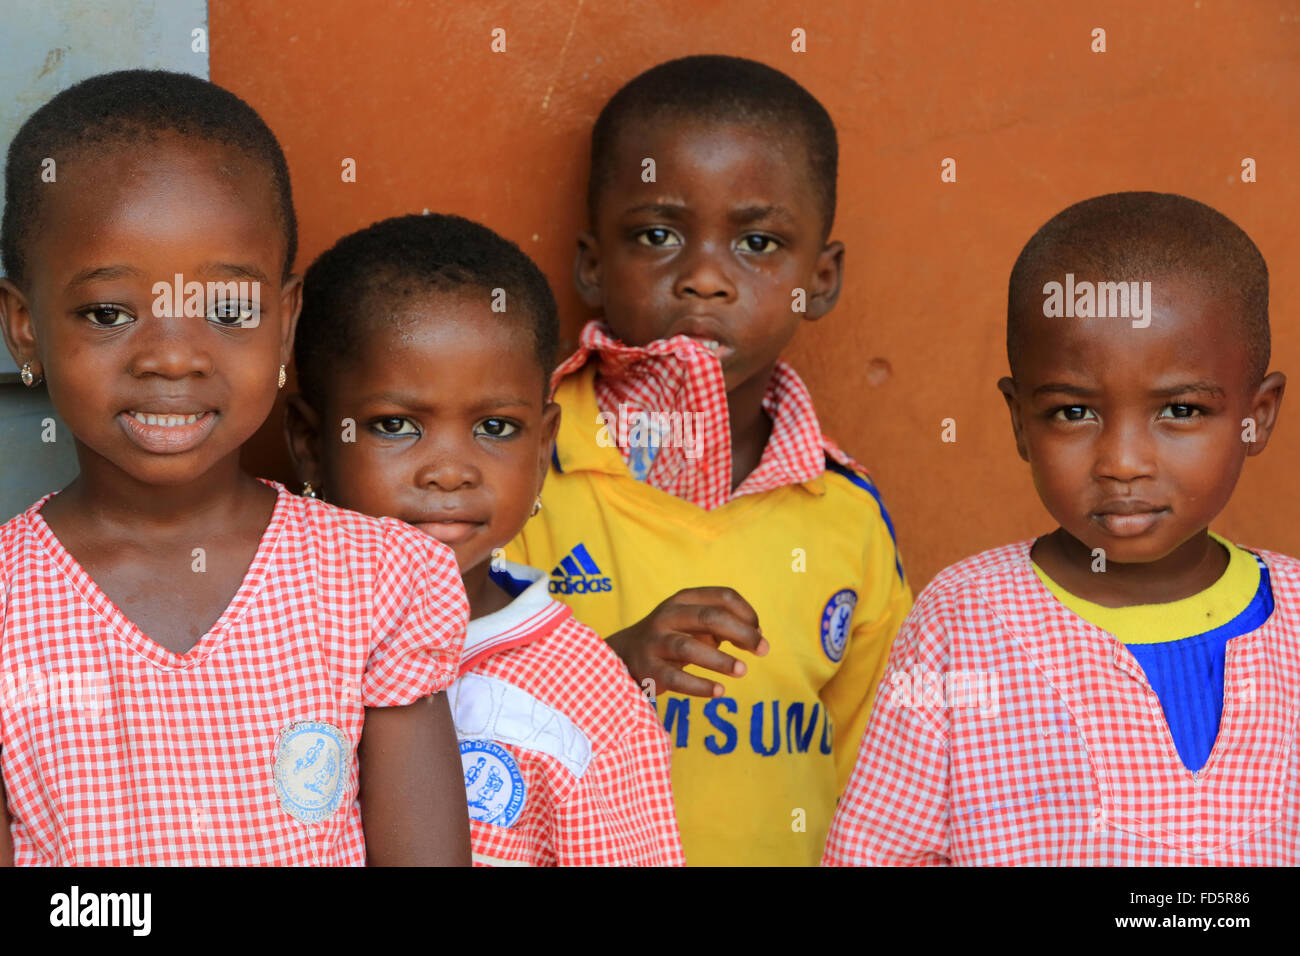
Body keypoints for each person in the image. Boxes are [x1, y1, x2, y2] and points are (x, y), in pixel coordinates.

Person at [0, 71, 470, 866]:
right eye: (110, 313)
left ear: (283, 325)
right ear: (25, 330)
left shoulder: (375, 581)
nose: (173, 357)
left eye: (227, 311)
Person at [506, 55, 912, 866]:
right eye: (656, 235)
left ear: (819, 279)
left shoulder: (846, 516)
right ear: (592, 264)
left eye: (758, 242)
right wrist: (609, 671)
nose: (702, 278)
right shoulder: (520, 473)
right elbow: (449, 715)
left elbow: (882, 775)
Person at [824, 191, 1295, 865]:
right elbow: (875, 854)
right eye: (1074, 413)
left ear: (1258, 415)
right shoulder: (963, 623)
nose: (1123, 462)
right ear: (1020, 420)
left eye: (1182, 410)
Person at [286, 212, 683, 866]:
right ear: (310, 443)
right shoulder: (254, 643)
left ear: (541, 449)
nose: (450, 470)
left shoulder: (587, 700)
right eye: (395, 425)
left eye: (496, 428)